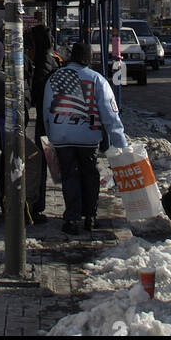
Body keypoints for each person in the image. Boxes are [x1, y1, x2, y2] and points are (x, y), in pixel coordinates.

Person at [43, 41, 128, 234]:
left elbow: (47, 110)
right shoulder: (97, 79)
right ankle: (90, 216)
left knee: (69, 176)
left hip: (61, 136)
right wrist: (119, 142)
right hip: (88, 137)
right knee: (90, 174)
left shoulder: (54, 78)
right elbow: (110, 114)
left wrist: (51, 135)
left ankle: (72, 217)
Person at [28, 25, 61, 223]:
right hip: (50, 120)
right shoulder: (49, 58)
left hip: (46, 121)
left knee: (41, 162)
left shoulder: (43, 62)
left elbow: (39, 94)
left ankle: (37, 204)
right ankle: (38, 204)